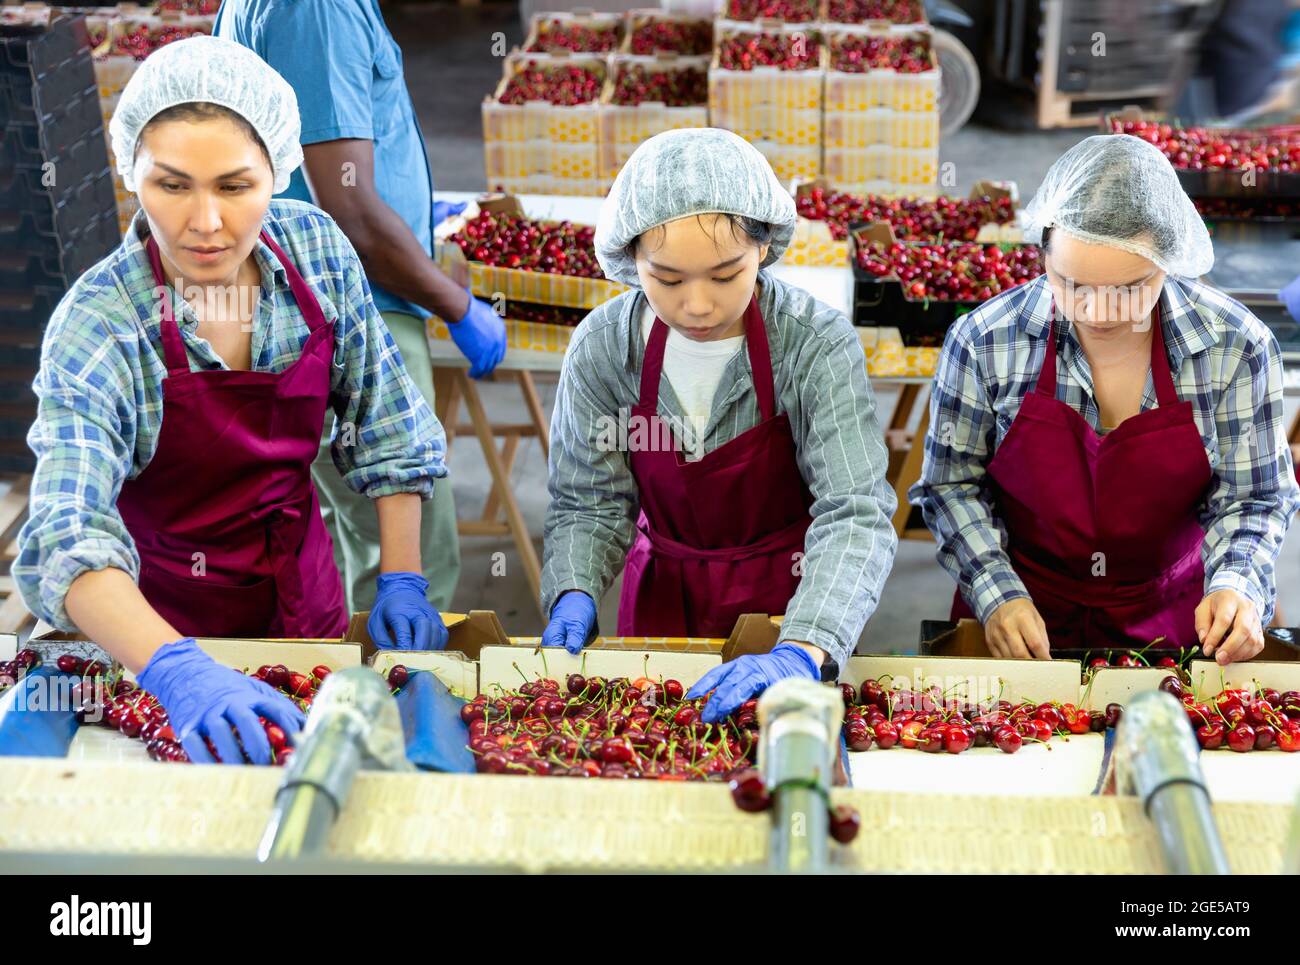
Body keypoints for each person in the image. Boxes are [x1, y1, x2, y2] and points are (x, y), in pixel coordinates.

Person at [14, 36, 449, 764]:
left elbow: (387, 424)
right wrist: (176, 671)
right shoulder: (101, 325)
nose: (205, 222)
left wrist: (402, 575)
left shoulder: (317, 253)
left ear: (277, 173)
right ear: (132, 173)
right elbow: (66, 532)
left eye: (235, 186)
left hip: (304, 604)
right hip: (150, 632)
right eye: (172, 185)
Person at [539, 129, 898, 721]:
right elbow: (589, 503)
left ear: (765, 246)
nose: (698, 305)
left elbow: (854, 510)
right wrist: (573, 591)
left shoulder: (812, 347)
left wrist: (803, 649)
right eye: (669, 280)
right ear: (631, 261)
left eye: (726, 275)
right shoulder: (605, 349)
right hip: (661, 604)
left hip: (790, 605)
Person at [911, 134, 1299, 665]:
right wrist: (995, 591)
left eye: (1132, 286)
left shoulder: (1234, 348)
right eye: (1072, 284)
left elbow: (1254, 496)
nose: (1099, 312)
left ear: (1170, 259)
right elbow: (951, 485)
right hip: (1024, 620)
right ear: (1042, 253)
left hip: (1178, 619)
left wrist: (1236, 582)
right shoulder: (984, 342)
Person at [215, 0, 508, 616]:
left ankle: (362, 687)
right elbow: (347, 211)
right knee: (405, 552)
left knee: (351, 541)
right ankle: (410, 697)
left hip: (308, 309)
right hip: (352, 316)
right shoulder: (317, 11)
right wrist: (457, 305)